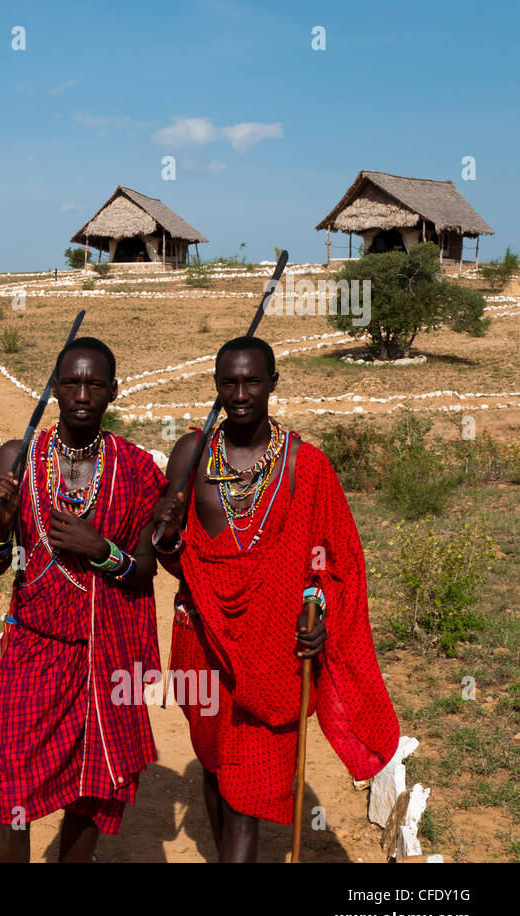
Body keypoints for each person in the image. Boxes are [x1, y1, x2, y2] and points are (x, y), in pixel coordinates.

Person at [151, 336, 400, 862]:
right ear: (216, 386)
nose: (241, 393)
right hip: (201, 640)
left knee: (244, 789)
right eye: (229, 382)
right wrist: (167, 533)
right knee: (215, 767)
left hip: (271, 653)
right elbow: (174, 561)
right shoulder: (192, 455)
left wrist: (322, 615)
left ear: (273, 384)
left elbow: (336, 562)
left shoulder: (304, 466)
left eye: (252, 381)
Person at [0, 337, 167, 862]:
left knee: (90, 791)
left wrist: (101, 550)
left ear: (113, 390)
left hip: (102, 656)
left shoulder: (133, 469)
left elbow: (144, 570)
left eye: (95, 384)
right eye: (72, 382)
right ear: (54, 387)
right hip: (33, 651)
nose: (82, 394)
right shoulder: (18, 458)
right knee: (12, 793)